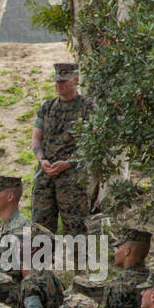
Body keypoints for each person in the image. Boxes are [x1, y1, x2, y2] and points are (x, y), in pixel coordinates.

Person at [31, 62, 94, 236]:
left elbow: (92, 145)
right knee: (40, 229)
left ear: (76, 80)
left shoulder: (88, 108)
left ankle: (78, 262)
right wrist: (42, 160)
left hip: (73, 180)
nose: (59, 85)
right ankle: (39, 263)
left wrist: (68, 163)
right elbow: (36, 137)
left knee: (76, 230)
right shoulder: (47, 107)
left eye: (63, 81)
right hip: (46, 177)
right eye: (57, 81)